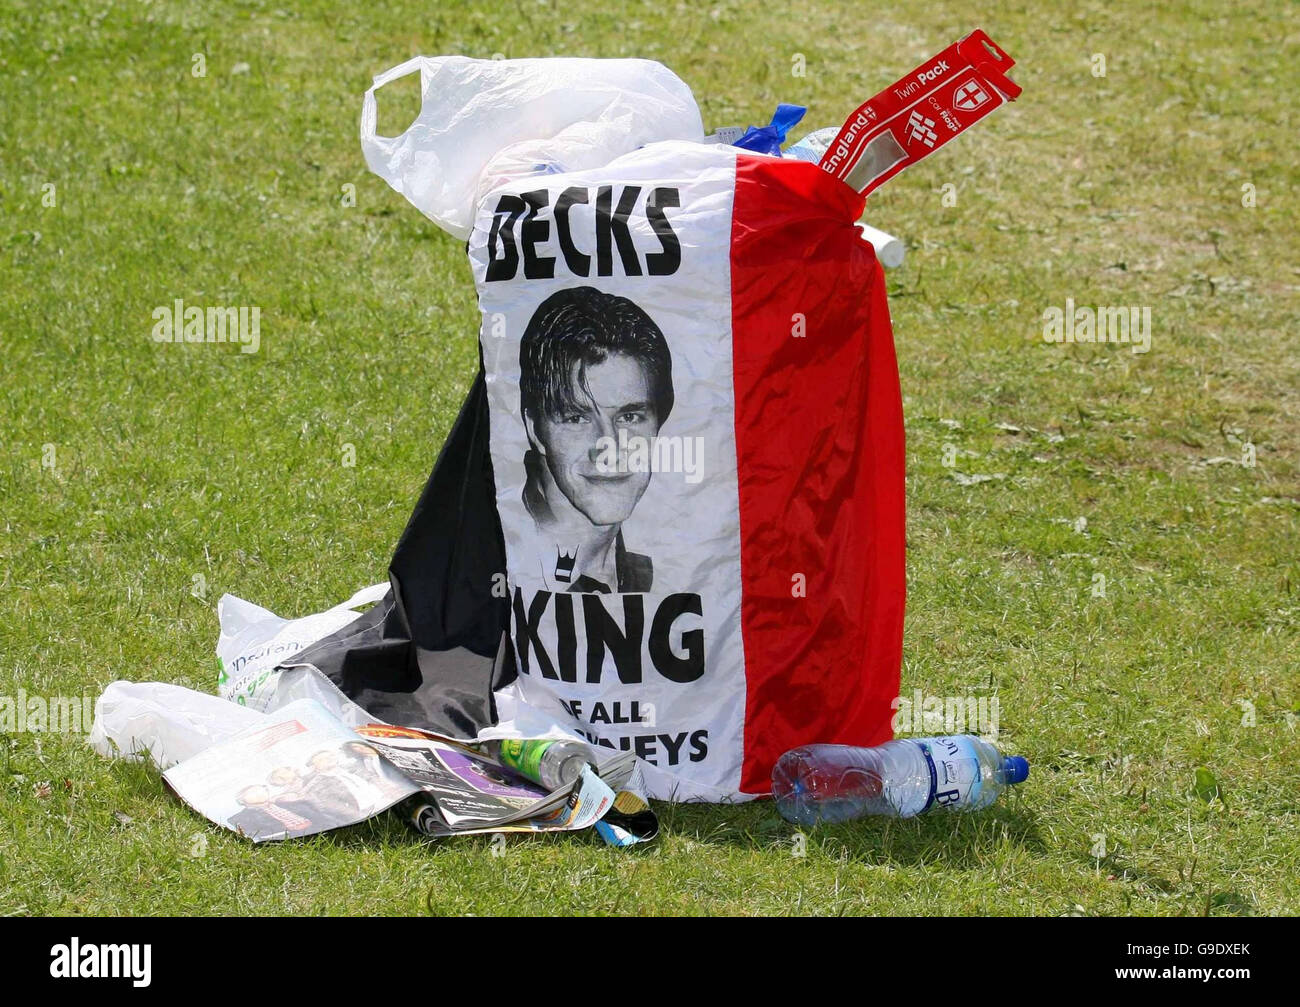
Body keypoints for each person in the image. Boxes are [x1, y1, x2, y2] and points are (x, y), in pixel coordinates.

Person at [518, 286, 673, 594]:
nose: (609, 447)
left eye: (629, 417)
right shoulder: (503, 560)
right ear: (535, 431)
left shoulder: (654, 574)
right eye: (577, 418)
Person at [228, 785, 316, 840]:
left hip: (313, 827)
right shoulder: (242, 817)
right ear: (242, 800)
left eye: (260, 790)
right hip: (291, 836)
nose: (259, 794)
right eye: (252, 793)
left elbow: (314, 813)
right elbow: (256, 834)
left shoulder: (284, 802)